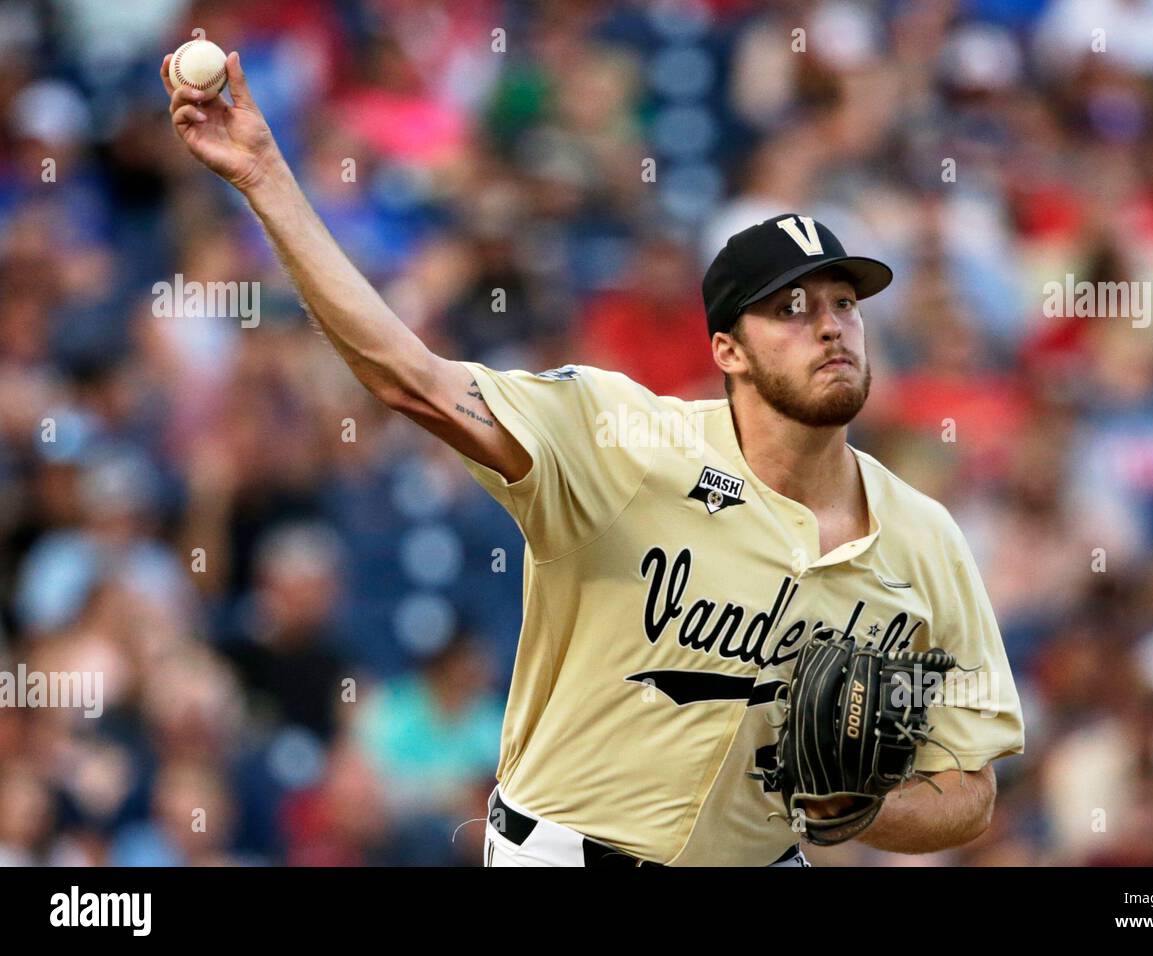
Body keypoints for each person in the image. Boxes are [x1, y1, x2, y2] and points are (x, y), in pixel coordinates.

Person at [162, 51, 1025, 867]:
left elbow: (970, 787)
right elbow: (410, 379)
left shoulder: (925, 539)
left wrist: (867, 809)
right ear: (726, 351)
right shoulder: (623, 439)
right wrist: (266, 179)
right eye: (792, 308)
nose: (831, 323)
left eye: (844, 301)